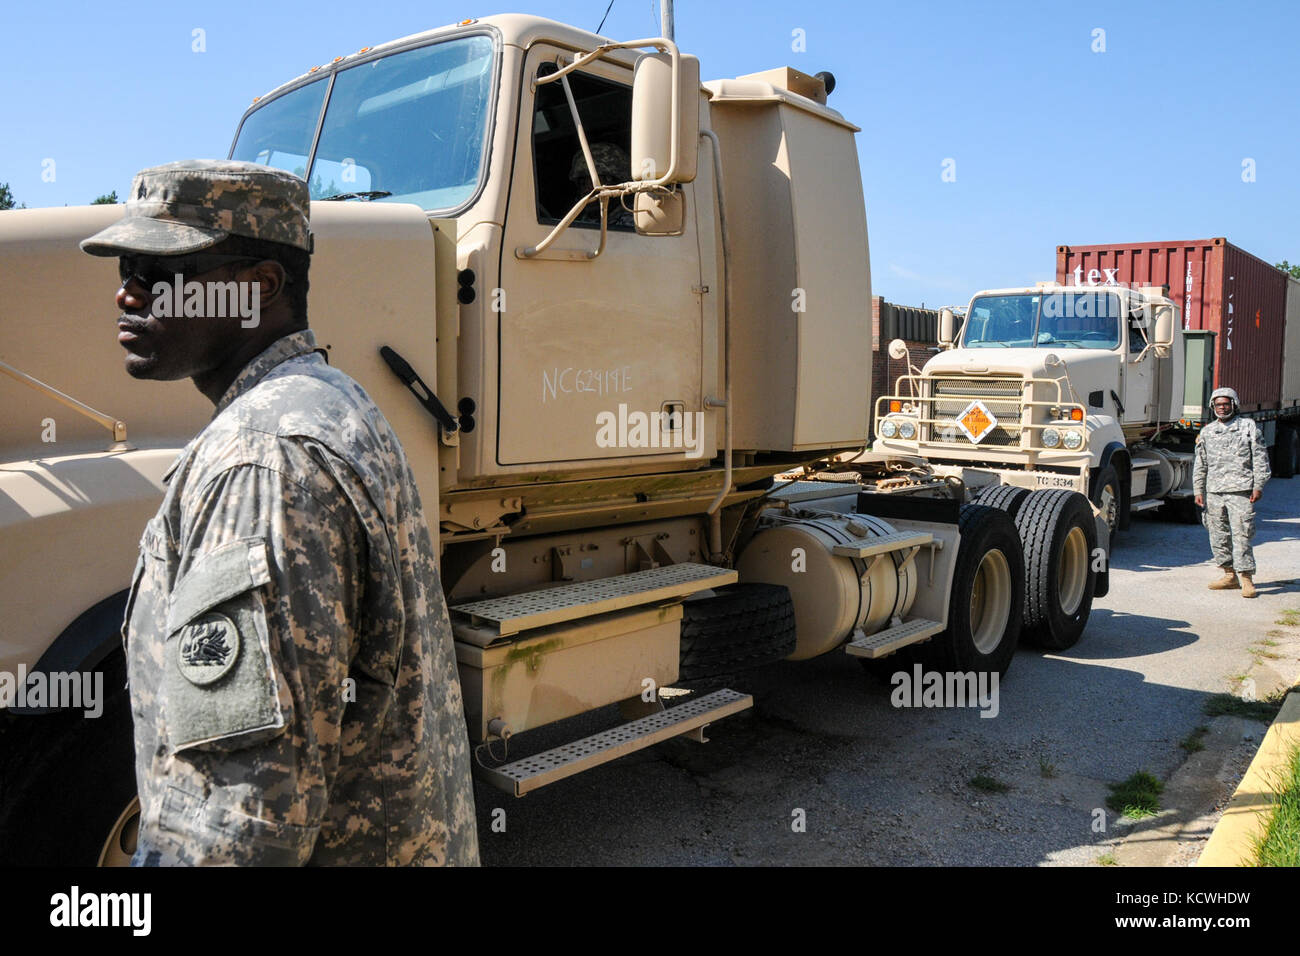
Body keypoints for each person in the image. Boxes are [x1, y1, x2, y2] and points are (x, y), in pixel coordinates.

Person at [81, 159, 480, 865]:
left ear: (258, 287)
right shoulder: (327, 399)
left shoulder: (261, 459)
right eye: (124, 267)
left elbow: (236, 826)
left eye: (159, 270)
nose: (127, 293)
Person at [1193, 386, 1270, 599]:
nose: (1222, 408)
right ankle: (1229, 575)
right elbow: (1201, 463)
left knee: (1242, 533)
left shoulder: (1248, 427)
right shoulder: (1208, 431)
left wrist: (1258, 485)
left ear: (1234, 405)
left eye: (1226, 404)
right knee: (1218, 535)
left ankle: (1246, 577)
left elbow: (1260, 458)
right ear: (1213, 407)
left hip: (1241, 490)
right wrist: (1198, 489)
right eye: (1218, 404)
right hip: (1214, 491)